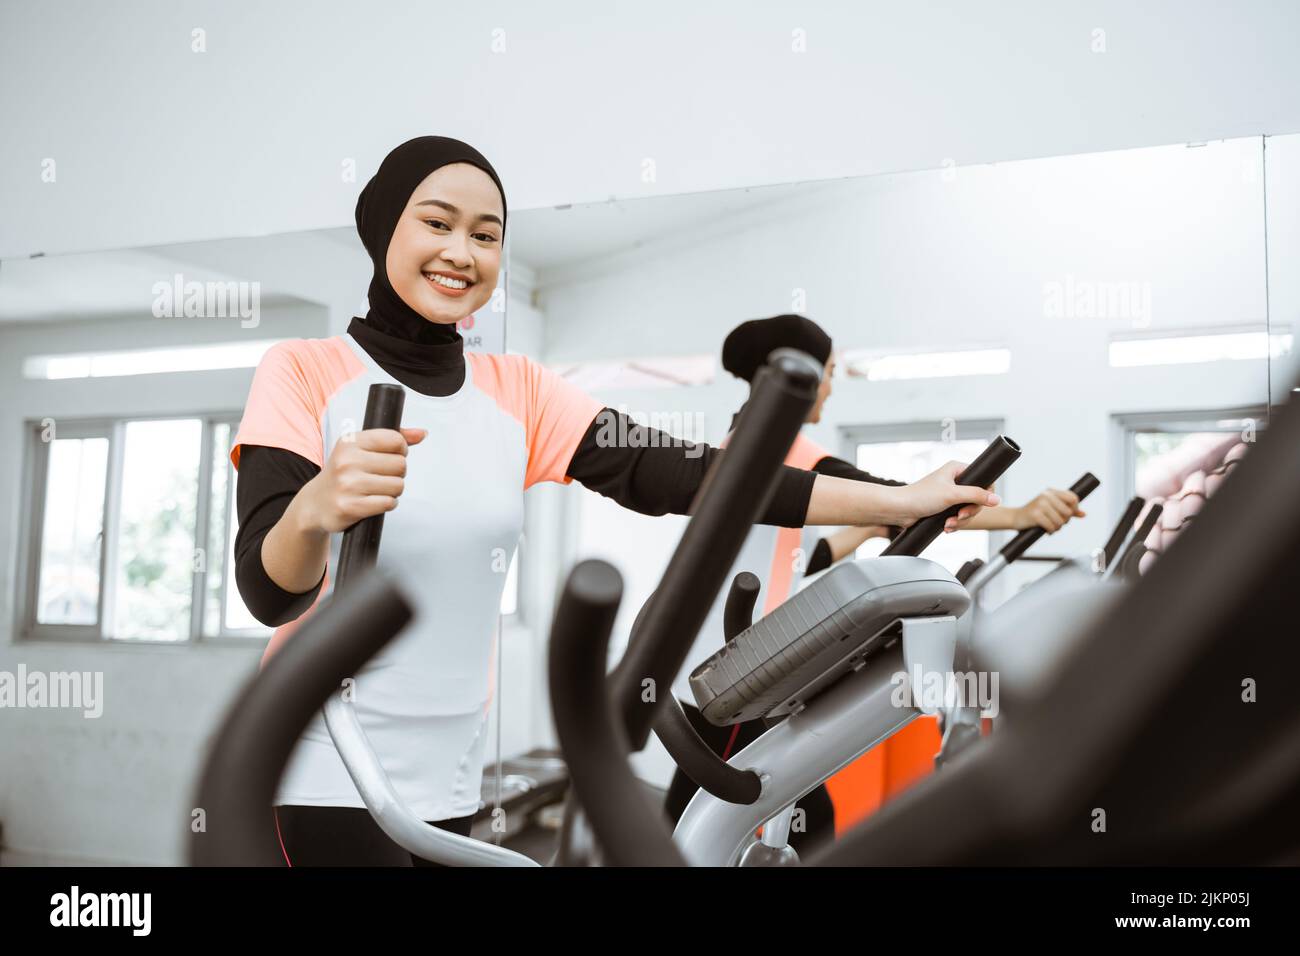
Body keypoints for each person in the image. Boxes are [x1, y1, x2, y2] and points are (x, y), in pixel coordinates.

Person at [230, 136, 999, 866]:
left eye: (487, 235)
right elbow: (268, 592)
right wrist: (315, 508)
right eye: (436, 223)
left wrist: (899, 501)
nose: (462, 253)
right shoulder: (304, 370)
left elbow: (692, 474)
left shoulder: (518, 391)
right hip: (325, 755)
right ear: (382, 228)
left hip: (452, 765)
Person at [663, 314, 1086, 854]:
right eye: (831, 371)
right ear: (798, 373)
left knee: (734, 817)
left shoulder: (741, 445)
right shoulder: (778, 447)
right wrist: (1021, 513)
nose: (833, 386)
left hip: (722, 670)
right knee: (785, 825)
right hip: (735, 680)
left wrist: (865, 527)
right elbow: (909, 502)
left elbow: (798, 554)